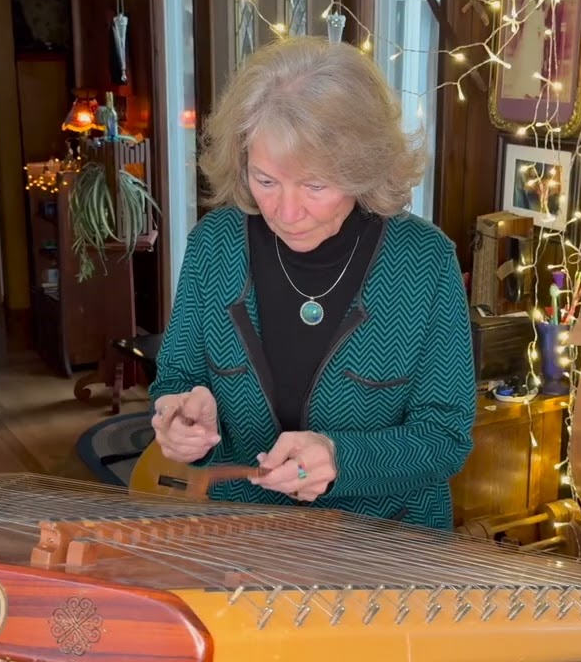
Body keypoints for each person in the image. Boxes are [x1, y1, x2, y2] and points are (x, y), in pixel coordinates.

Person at [148, 36, 476, 530]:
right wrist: (179, 420)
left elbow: (444, 437)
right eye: (266, 180)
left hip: (387, 545)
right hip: (240, 535)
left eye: (315, 186)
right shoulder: (213, 247)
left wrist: (340, 458)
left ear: (362, 169)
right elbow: (175, 380)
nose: (285, 211)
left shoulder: (424, 263)